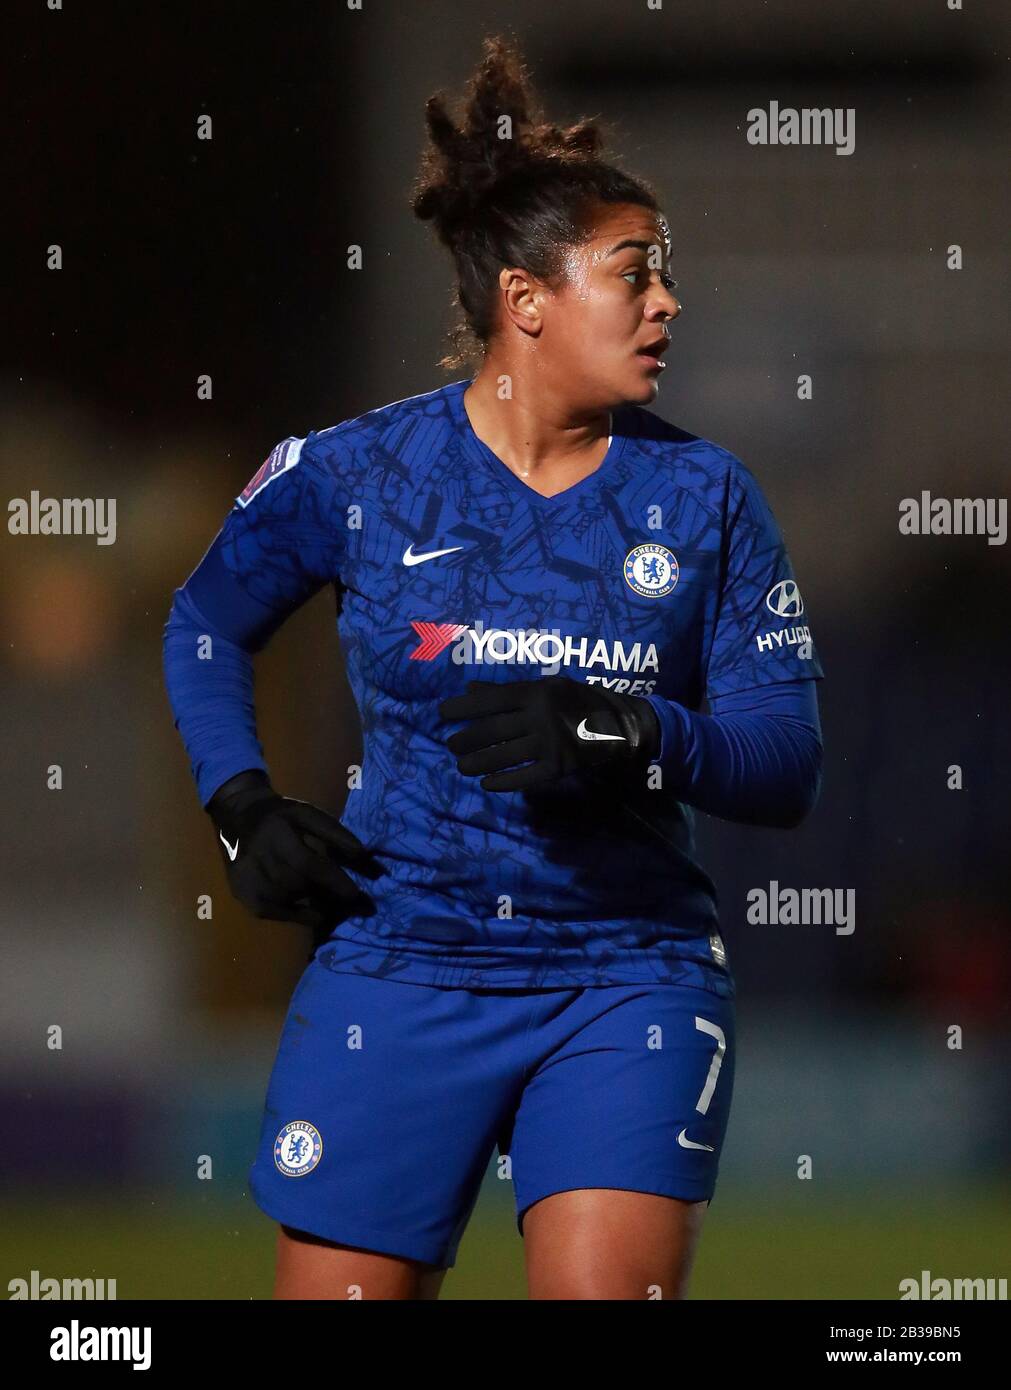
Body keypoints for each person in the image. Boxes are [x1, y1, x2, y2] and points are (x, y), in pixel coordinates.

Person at [163, 36, 824, 1300]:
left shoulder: (704, 496)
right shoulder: (356, 475)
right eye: (635, 275)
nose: (668, 301)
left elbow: (785, 760)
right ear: (527, 301)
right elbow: (201, 625)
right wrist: (240, 804)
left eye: (666, 277)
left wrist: (642, 731)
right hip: (400, 967)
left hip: (625, 973)